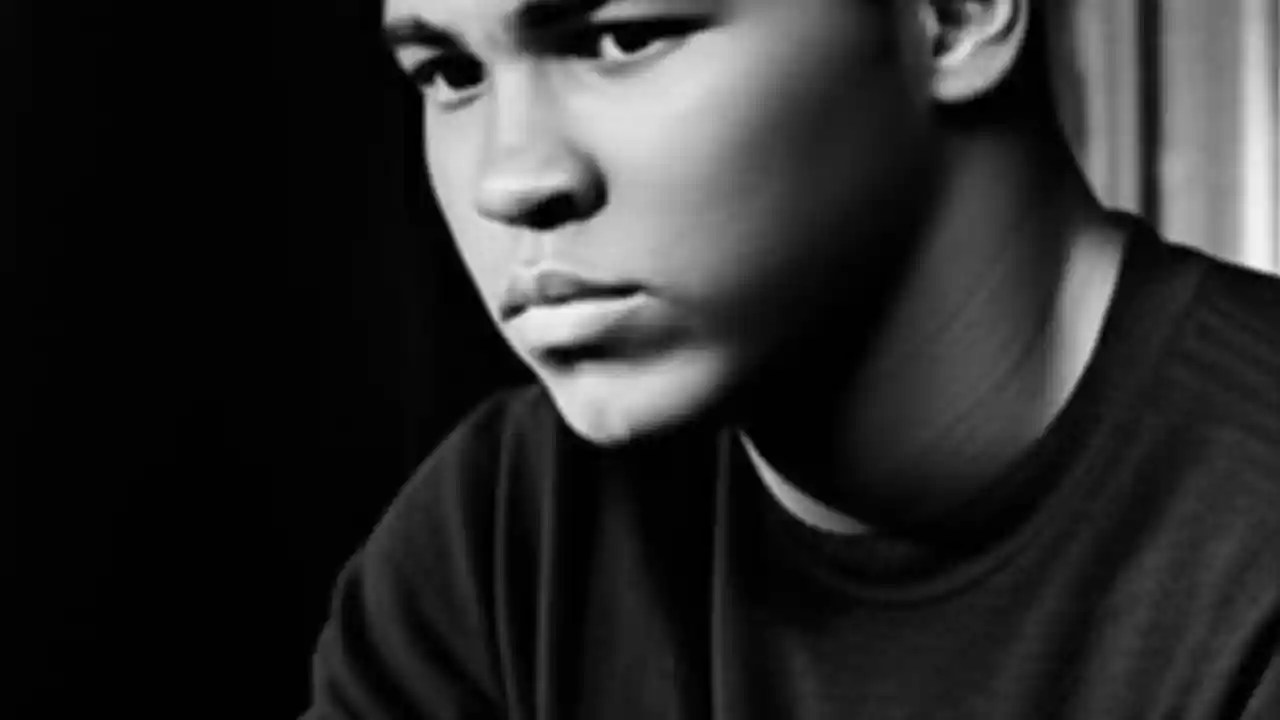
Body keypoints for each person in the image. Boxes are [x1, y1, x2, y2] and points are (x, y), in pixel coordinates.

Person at [303, 0, 1280, 717]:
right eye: (450, 74)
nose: (510, 180)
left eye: (621, 39)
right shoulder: (506, 535)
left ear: (953, 15)